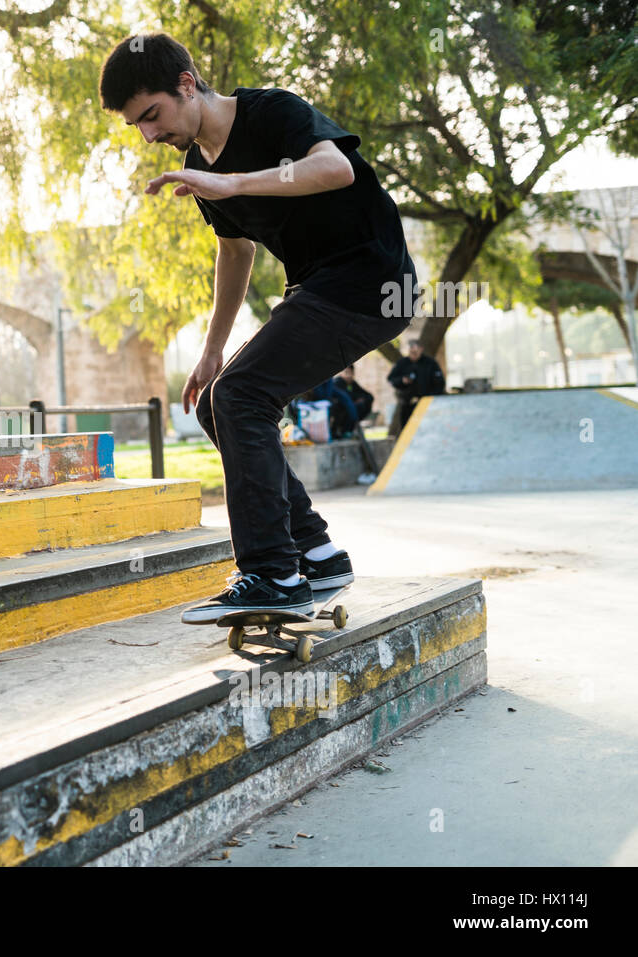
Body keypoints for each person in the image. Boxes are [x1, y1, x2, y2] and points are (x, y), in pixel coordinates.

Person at [98, 33, 418, 622]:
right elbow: (235, 253)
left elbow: (334, 168)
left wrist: (235, 182)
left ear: (187, 85)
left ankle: (273, 571)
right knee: (218, 402)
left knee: (244, 396)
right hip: (319, 290)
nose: (149, 135)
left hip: (370, 280)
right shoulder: (198, 166)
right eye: (136, 126)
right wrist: (212, 351)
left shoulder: (273, 111)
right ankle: (317, 553)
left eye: (153, 115)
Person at [388, 340, 445, 433]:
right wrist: (402, 380)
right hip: (407, 404)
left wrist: (429, 398)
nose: (413, 355)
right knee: (407, 431)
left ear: (421, 349)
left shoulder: (430, 363)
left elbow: (439, 384)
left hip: (426, 404)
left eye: (415, 352)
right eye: (411, 352)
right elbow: (391, 379)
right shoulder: (402, 363)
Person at [333, 364, 374, 433]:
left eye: (350, 373)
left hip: (352, 406)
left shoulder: (352, 383)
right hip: (342, 407)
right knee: (356, 406)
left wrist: (362, 399)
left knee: (364, 403)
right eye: (346, 373)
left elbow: (368, 395)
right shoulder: (338, 382)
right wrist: (356, 399)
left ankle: (352, 428)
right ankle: (345, 430)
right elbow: (345, 395)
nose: (348, 375)